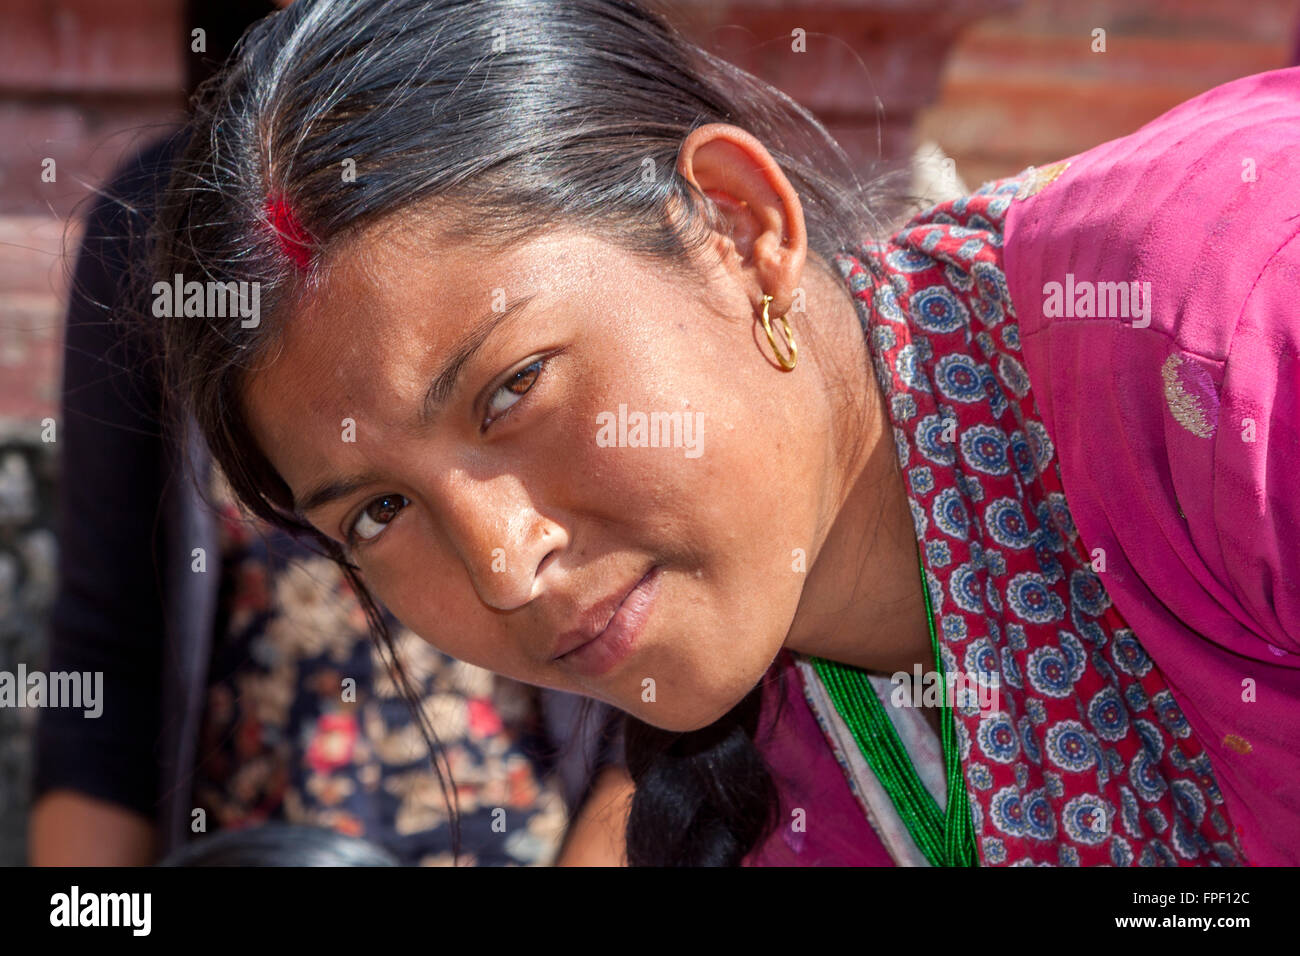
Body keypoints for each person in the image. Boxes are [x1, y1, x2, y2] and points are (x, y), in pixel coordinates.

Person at [146, 0, 1300, 866]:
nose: (502, 568)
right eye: (379, 511)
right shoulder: (777, 790)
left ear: (739, 227)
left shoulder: (1224, 331)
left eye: (513, 387)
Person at [29, 15, 625, 865]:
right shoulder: (155, 228)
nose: (499, 559)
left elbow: (663, 658)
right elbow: (106, 644)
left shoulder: (523, 153)